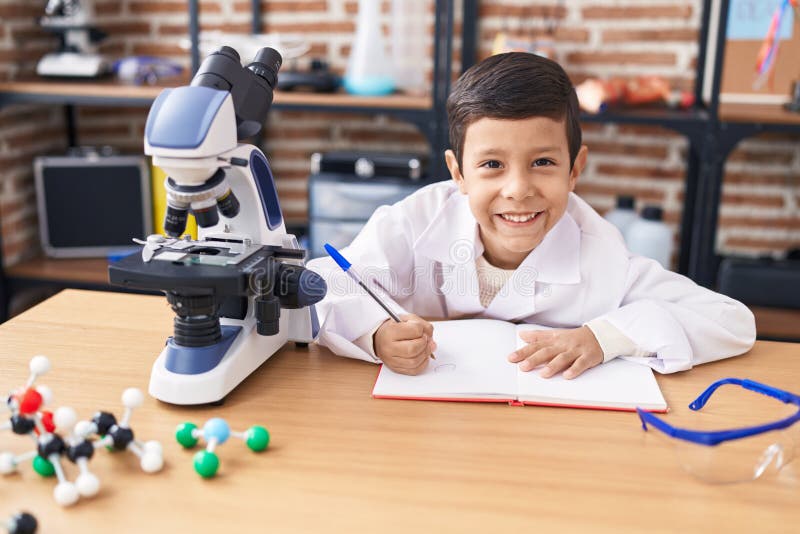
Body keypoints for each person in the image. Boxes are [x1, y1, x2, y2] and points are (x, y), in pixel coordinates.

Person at [306, 52, 755, 378]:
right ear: (458, 173)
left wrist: (604, 338)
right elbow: (323, 284)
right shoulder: (414, 220)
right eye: (492, 164)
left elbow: (731, 321)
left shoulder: (602, 254)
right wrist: (375, 334)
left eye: (543, 162)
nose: (518, 189)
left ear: (575, 169)